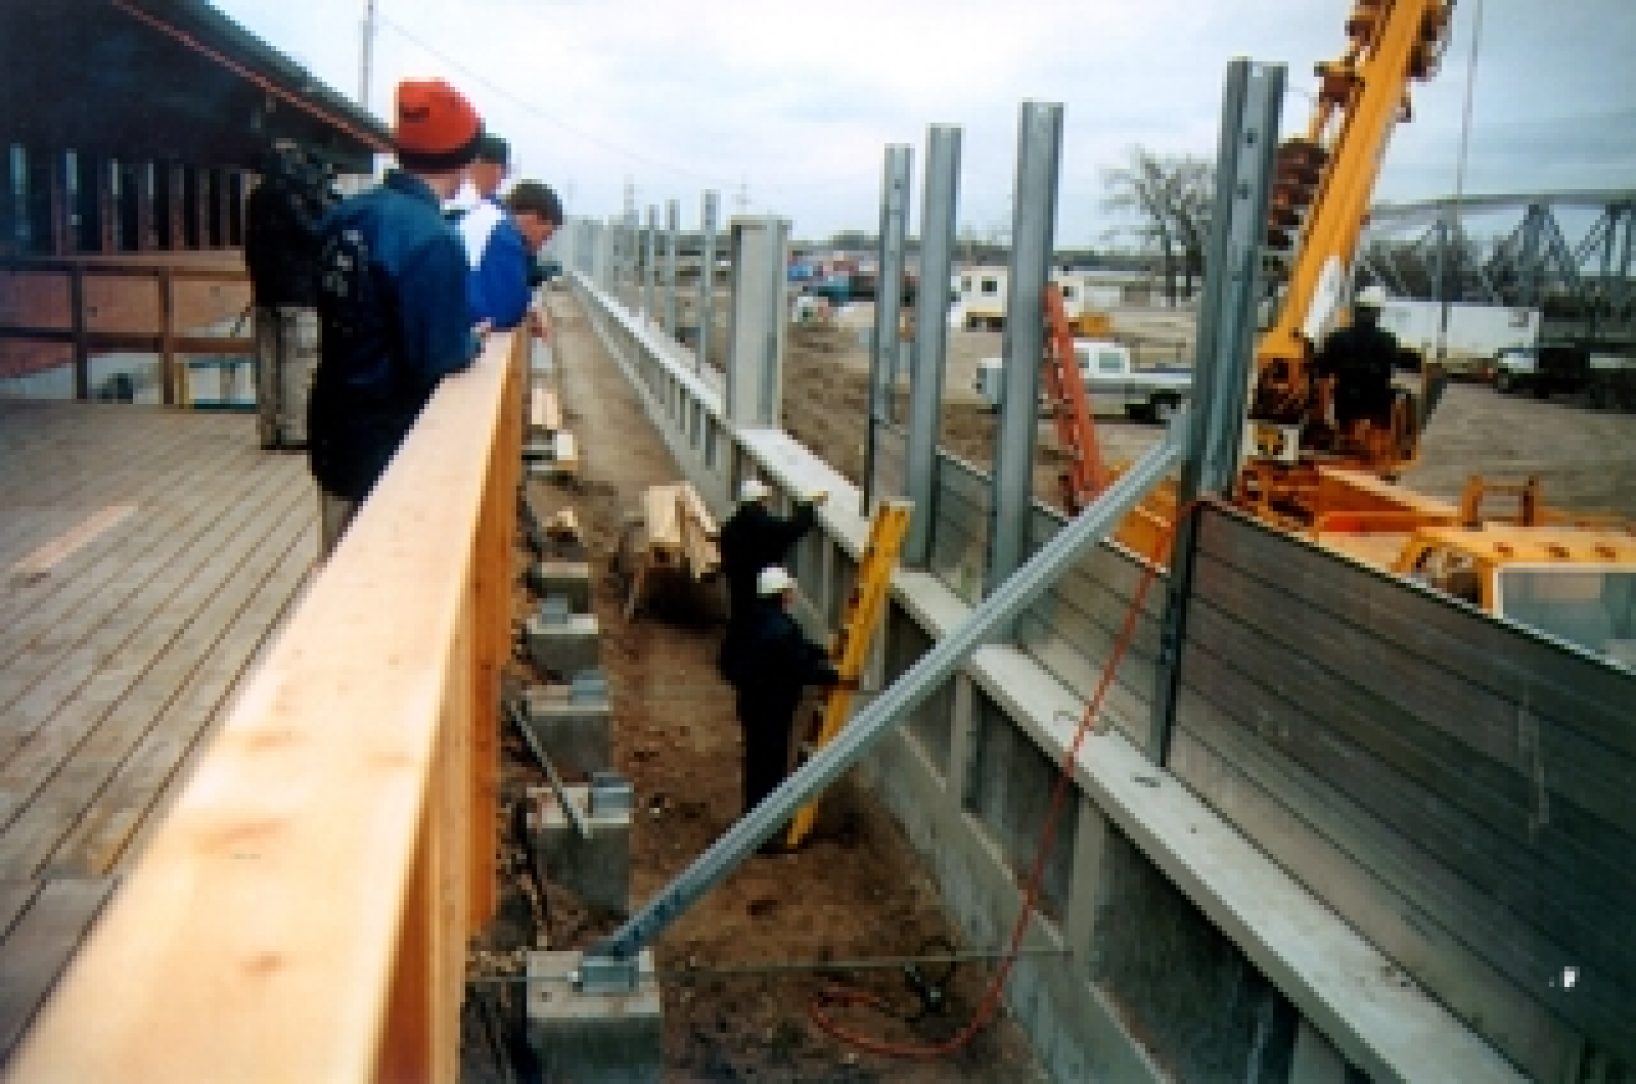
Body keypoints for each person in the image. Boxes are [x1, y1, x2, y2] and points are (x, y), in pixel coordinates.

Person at [307, 78, 485, 556]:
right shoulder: (433, 239)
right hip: (390, 444)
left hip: (334, 425)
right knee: (375, 583)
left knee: (336, 562)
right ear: (464, 162)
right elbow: (439, 356)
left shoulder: (347, 217)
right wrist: (472, 341)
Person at [718, 566, 840, 841]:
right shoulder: (783, 629)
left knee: (755, 761)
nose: (791, 594)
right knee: (770, 767)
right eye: (788, 590)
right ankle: (766, 833)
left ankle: (751, 820)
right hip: (773, 708)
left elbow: (733, 659)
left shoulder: (749, 618)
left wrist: (815, 652)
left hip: (750, 702)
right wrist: (832, 674)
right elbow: (797, 665)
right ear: (780, 594)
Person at [244, 143, 336, 449]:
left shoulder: (256, 198)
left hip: (265, 291)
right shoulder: (293, 197)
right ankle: (295, 430)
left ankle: (269, 429)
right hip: (298, 293)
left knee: (267, 362)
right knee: (298, 362)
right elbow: (313, 234)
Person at [717, 479, 824, 628]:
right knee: (759, 625)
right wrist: (808, 507)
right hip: (759, 585)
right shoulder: (763, 524)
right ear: (759, 500)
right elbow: (790, 530)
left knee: (741, 621)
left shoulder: (731, 525)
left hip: (738, 584)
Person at [1313, 284, 1404, 433]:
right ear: (1377, 313)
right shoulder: (1388, 340)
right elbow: (1390, 372)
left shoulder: (1336, 338)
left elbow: (1323, 373)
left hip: (1345, 404)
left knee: (1345, 435)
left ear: (1355, 311)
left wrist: (1322, 415)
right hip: (1377, 406)